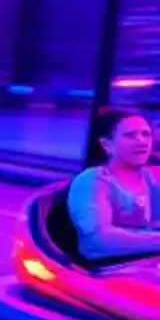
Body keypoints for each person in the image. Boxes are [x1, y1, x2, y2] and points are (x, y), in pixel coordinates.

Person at [68, 108, 160, 261]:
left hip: (143, 261)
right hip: (103, 269)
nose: (141, 141)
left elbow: (156, 221)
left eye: (146, 134)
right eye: (130, 135)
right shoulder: (92, 180)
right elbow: (99, 239)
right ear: (107, 145)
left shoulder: (147, 177)